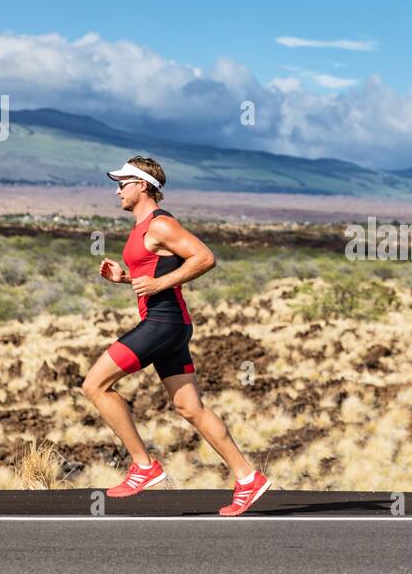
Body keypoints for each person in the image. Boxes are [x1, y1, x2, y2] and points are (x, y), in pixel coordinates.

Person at [81, 156, 270, 515]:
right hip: (169, 323)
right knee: (189, 407)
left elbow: (204, 257)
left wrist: (159, 283)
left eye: (123, 183)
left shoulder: (161, 224)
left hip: (162, 324)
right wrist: (124, 280)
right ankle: (248, 478)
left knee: (95, 385)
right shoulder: (141, 228)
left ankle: (143, 466)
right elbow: (153, 275)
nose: (117, 189)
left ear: (142, 185)